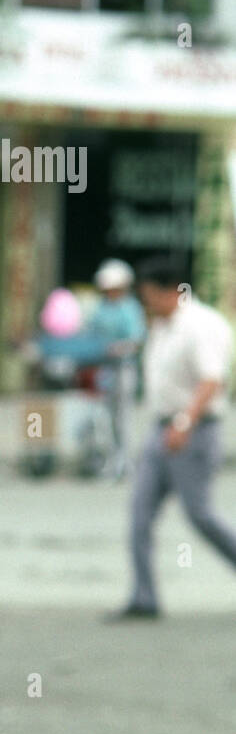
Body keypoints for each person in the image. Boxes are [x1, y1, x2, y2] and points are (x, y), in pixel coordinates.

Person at [111, 255, 236, 620]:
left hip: (193, 431)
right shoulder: (162, 325)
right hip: (160, 429)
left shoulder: (200, 325)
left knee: (200, 515)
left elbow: (211, 379)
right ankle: (144, 597)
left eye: (148, 294)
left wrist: (184, 423)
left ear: (169, 292)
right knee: (139, 513)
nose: (145, 302)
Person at [88, 259, 147, 480]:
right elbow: (92, 332)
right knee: (105, 417)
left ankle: (126, 462)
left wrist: (119, 348)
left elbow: (137, 339)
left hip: (124, 369)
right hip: (104, 370)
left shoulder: (130, 308)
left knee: (123, 417)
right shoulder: (101, 308)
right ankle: (110, 460)